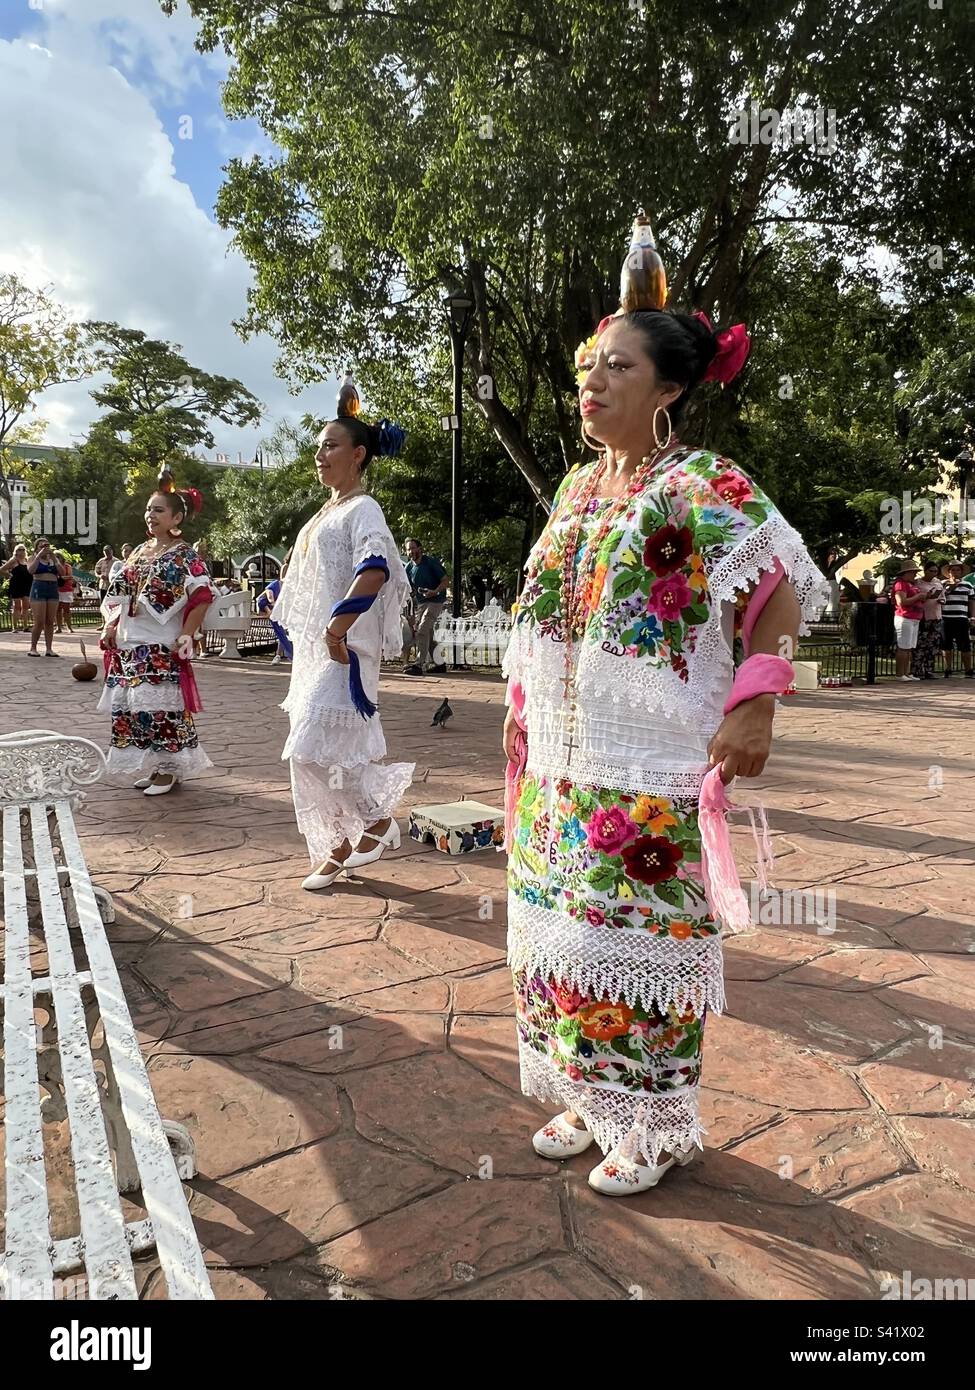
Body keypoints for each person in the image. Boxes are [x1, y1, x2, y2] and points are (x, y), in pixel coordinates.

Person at [501, 300, 827, 1196]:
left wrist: (758, 704)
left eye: (619, 368)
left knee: (640, 944)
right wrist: (521, 711)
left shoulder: (702, 484)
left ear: (670, 388)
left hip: (646, 768)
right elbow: (551, 615)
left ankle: (651, 1127)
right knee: (558, 937)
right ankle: (586, 1095)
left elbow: (778, 595)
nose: (593, 382)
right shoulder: (572, 488)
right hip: (559, 768)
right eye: (590, 366)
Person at [275, 410, 414, 890]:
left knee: (310, 748)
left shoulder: (363, 509)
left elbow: (374, 568)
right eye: (319, 446)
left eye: (331, 445)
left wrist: (337, 629)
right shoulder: (322, 515)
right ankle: (335, 845)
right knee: (321, 752)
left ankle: (374, 822)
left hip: (345, 652)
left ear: (358, 455)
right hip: (320, 653)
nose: (320, 455)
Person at [99, 482, 214, 794]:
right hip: (130, 640)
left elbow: (202, 596)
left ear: (176, 518)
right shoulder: (138, 552)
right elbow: (118, 596)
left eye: (159, 510)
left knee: (161, 706)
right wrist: (111, 626)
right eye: (149, 509)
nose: (151, 515)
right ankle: (157, 767)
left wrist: (187, 635)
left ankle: (169, 769)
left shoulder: (185, 555)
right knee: (133, 707)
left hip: (161, 640)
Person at [403, 538, 449, 675]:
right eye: (408, 549)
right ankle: (440, 664)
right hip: (421, 602)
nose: (411, 551)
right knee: (426, 634)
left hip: (435, 601)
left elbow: (445, 580)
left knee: (422, 630)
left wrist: (435, 591)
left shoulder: (430, 563)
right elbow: (408, 588)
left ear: (420, 548)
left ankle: (418, 665)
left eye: (413, 548)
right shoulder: (409, 568)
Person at [25, 537, 67, 657]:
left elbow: (62, 573)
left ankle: (49, 649)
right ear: (36, 548)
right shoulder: (33, 558)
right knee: (39, 621)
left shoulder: (53, 559)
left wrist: (54, 558)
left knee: (50, 620)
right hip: (39, 587)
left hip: (52, 588)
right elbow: (31, 570)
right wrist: (38, 556)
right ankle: (33, 647)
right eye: (42, 546)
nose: (45, 548)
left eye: (47, 546)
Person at [257, 549, 294, 664]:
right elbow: (282, 582)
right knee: (281, 628)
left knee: (283, 630)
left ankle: (281, 654)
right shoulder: (286, 568)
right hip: (282, 598)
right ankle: (281, 654)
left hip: (284, 598)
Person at [941, 560, 975, 678]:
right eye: (953, 570)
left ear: (961, 572)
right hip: (946, 617)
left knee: (965, 645)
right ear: (949, 572)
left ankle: (968, 670)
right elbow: (940, 598)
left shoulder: (967, 585)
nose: (955, 572)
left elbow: (971, 602)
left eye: (958, 570)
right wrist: (951, 586)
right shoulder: (943, 584)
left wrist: (972, 617)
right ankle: (947, 669)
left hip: (961, 618)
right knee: (946, 645)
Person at [890, 560, 923, 681]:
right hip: (905, 617)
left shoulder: (911, 584)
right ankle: (900, 674)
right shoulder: (900, 584)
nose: (915, 574)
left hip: (915, 617)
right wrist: (918, 597)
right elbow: (901, 601)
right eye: (913, 572)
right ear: (906, 573)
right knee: (903, 646)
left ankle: (907, 672)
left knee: (909, 647)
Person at [911, 560, 943, 680]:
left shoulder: (938, 582)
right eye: (931, 571)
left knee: (932, 645)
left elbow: (942, 595)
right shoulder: (918, 583)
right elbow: (915, 598)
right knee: (921, 644)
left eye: (936, 571)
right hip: (924, 616)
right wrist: (927, 596)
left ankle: (929, 670)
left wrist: (941, 599)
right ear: (925, 571)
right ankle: (917, 670)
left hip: (936, 616)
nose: (934, 573)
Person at [0, 543, 32, 632]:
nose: (21, 551)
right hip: (16, 585)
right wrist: (8, 574)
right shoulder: (13, 561)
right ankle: (15, 627)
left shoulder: (27, 560)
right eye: (19, 550)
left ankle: (25, 626)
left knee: (26, 606)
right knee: (17, 606)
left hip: (27, 586)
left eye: (23, 549)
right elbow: (1, 569)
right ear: (16, 551)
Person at [55, 553, 76, 633]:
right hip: (57, 589)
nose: (57, 558)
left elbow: (70, 576)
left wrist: (60, 578)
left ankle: (69, 627)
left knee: (66, 609)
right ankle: (58, 627)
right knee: (57, 609)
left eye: (58, 557)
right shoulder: (54, 566)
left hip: (66, 590)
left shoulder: (67, 566)